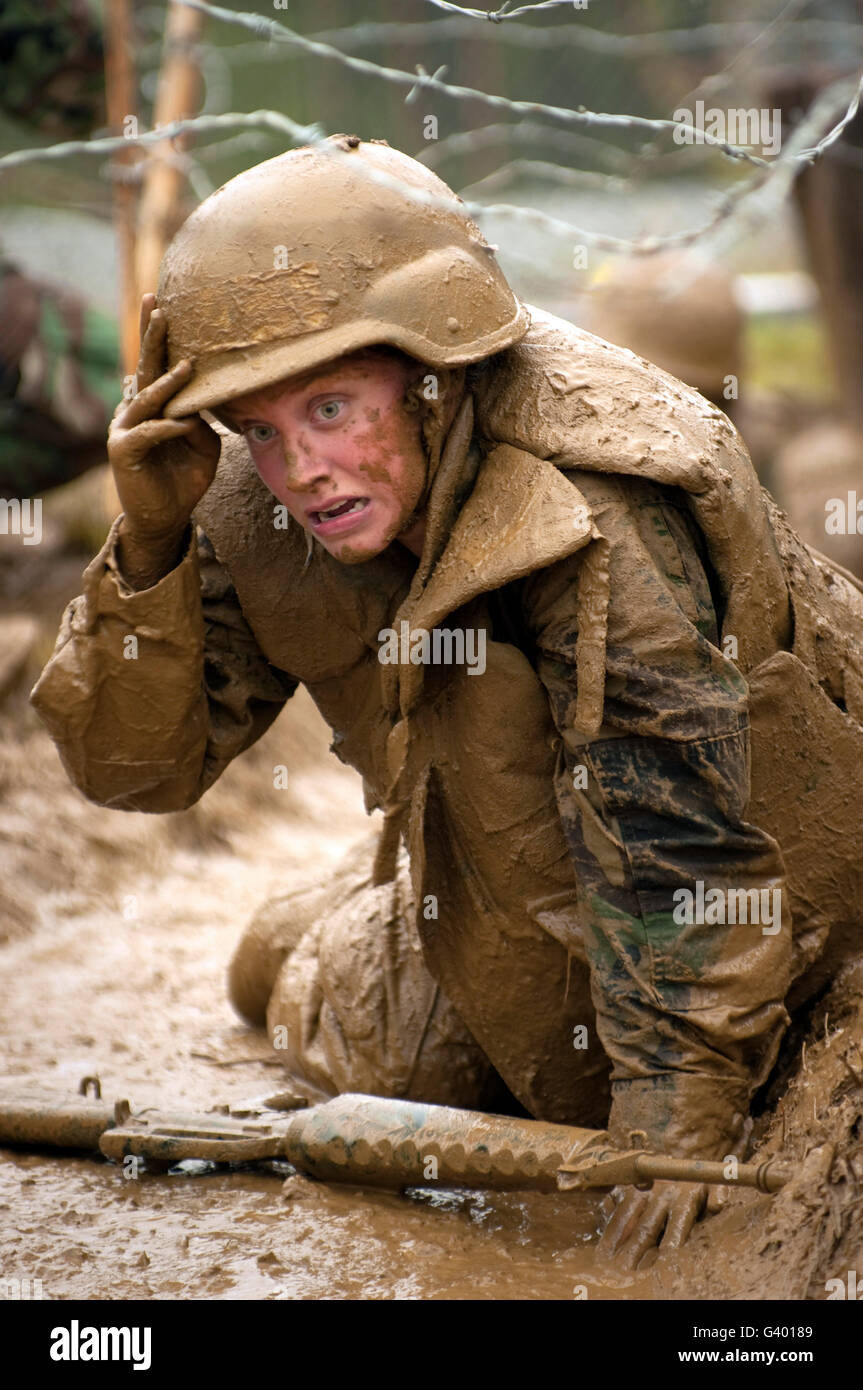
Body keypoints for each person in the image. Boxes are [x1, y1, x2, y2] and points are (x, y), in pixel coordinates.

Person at [31, 135, 863, 1268]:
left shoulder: (598, 504)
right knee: (280, 979)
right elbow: (133, 770)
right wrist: (151, 544)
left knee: (595, 1079)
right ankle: (361, 893)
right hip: (492, 882)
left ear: (435, 369)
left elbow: (678, 837)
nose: (300, 468)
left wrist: (675, 1111)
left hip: (767, 878)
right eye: (260, 431)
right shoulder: (253, 504)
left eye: (331, 409)